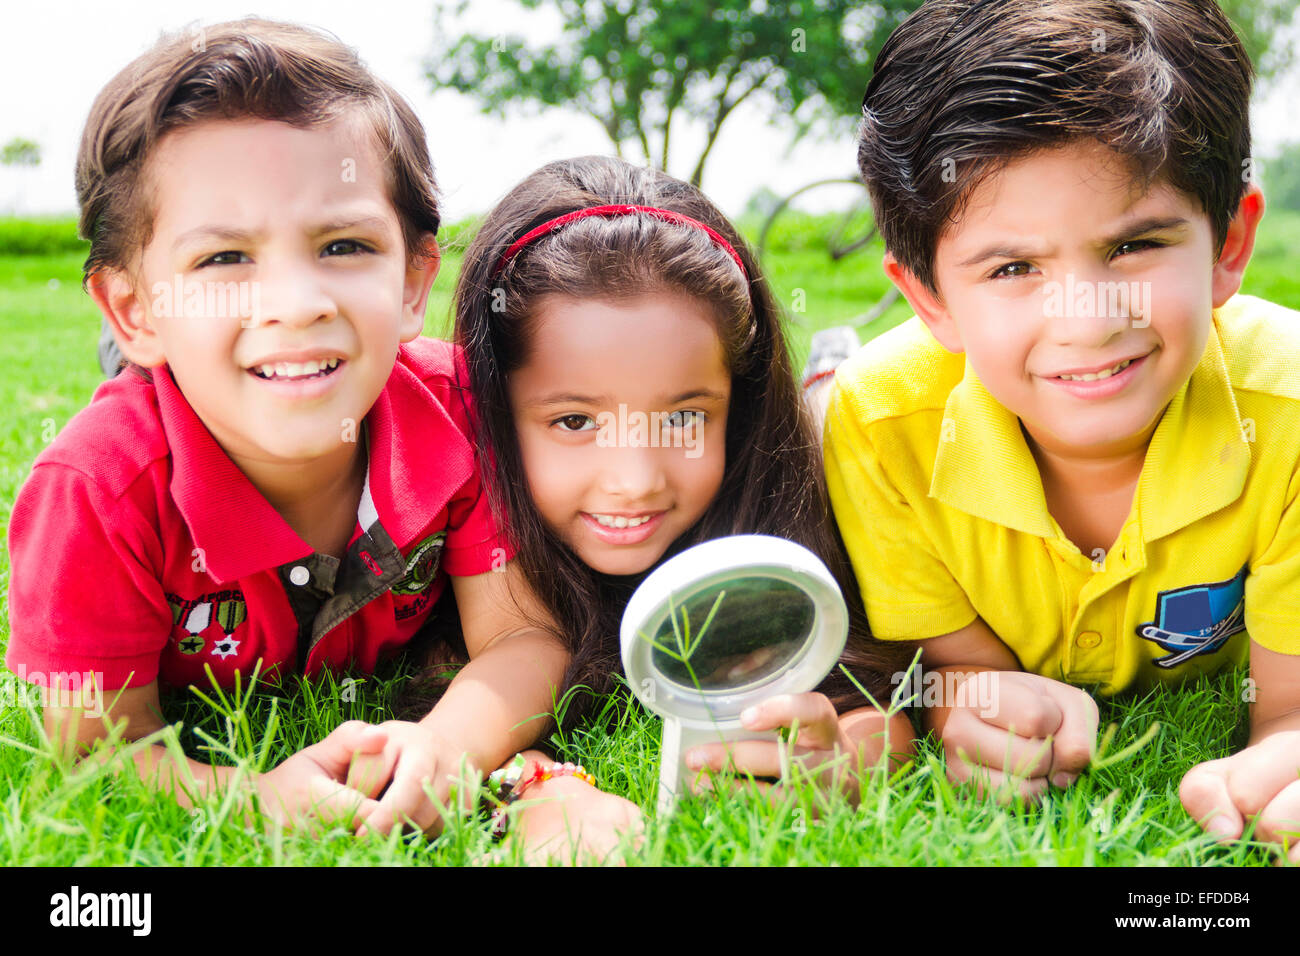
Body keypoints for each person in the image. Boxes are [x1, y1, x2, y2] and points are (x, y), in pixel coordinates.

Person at [4, 18, 568, 836]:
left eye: (343, 244)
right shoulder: (95, 493)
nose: (297, 300)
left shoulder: (463, 414)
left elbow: (524, 637)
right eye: (225, 258)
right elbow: (96, 754)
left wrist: (448, 744)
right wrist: (253, 797)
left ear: (414, 283)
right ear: (131, 307)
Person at [824, 0, 1300, 860]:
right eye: (1013, 267)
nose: (1085, 322)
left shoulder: (1291, 416)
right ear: (929, 296)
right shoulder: (879, 423)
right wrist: (981, 706)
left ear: (1229, 243)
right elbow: (956, 666)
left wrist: (1274, 764)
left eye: (1133, 247)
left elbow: (1290, 709)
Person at [446, 156, 918, 860]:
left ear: (743, 402)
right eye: (575, 421)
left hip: (826, 421)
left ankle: (827, 367)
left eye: (683, 419)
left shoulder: (789, 505)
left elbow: (872, 694)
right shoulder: (462, 540)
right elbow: (452, 719)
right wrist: (543, 790)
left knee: (831, 400)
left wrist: (848, 757)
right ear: (494, 406)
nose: (634, 482)